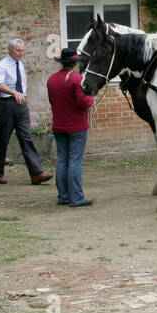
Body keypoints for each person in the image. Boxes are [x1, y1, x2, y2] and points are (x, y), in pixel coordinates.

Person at [0, 38, 52, 185]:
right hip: (5, 104)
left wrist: (21, 96)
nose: (21, 53)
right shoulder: (2, 65)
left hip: (21, 104)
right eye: (18, 50)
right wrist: (13, 92)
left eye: (23, 50)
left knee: (26, 137)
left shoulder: (20, 65)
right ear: (10, 50)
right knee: (2, 139)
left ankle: (36, 173)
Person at [46, 47, 95, 207]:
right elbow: (83, 102)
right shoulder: (75, 79)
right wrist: (91, 100)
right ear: (75, 63)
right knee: (74, 161)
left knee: (62, 160)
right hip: (76, 126)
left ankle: (64, 196)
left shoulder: (51, 79)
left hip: (59, 124)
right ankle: (76, 198)